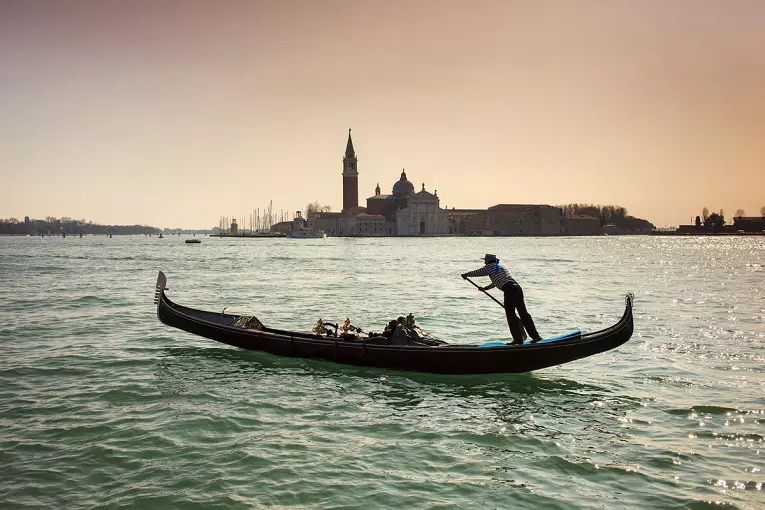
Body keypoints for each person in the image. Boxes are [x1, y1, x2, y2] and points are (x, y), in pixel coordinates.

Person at [461, 254, 542, 345]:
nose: (484, 262)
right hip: (517, 289)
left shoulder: (489, 267)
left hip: (509, 290)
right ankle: (536, 337)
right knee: (523, 313)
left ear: (488, 261)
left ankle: (518, 340)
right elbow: (496, 282)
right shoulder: (500, 268)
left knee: (511, 315)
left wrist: (466, 275)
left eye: (485, 261)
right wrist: (485, 288)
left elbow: (478, 272)